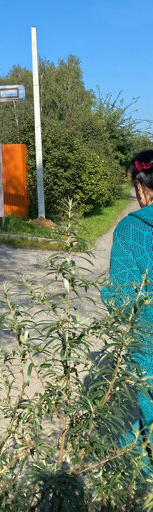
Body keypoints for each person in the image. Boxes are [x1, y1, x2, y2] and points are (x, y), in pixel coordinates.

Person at [102, 150, 153, 442]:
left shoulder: (132, 229)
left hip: (148, 350)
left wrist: (107, 293)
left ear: (140, 187)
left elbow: (121, 303)